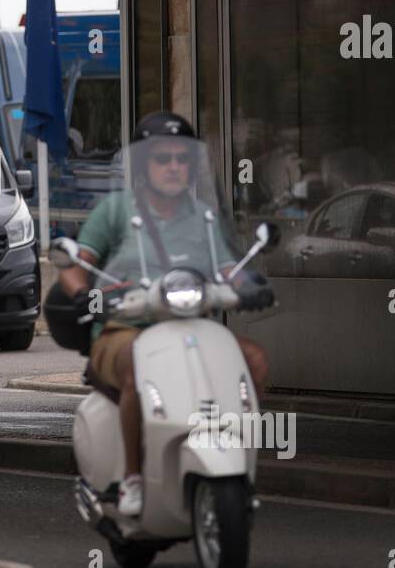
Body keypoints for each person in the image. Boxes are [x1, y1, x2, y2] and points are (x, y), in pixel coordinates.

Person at [58, 112, 270, 516]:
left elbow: (228, 270)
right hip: (125, 328)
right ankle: (133, 480)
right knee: (140, 367)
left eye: (181, 158)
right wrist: (83, 293)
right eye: (162, 159)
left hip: (191, 327)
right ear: (143, 165)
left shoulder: (203, 217)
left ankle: (239, 462)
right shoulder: (116, 211)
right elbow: (75, 265)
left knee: (254, 360)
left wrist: (250, 286)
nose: (174, 167)